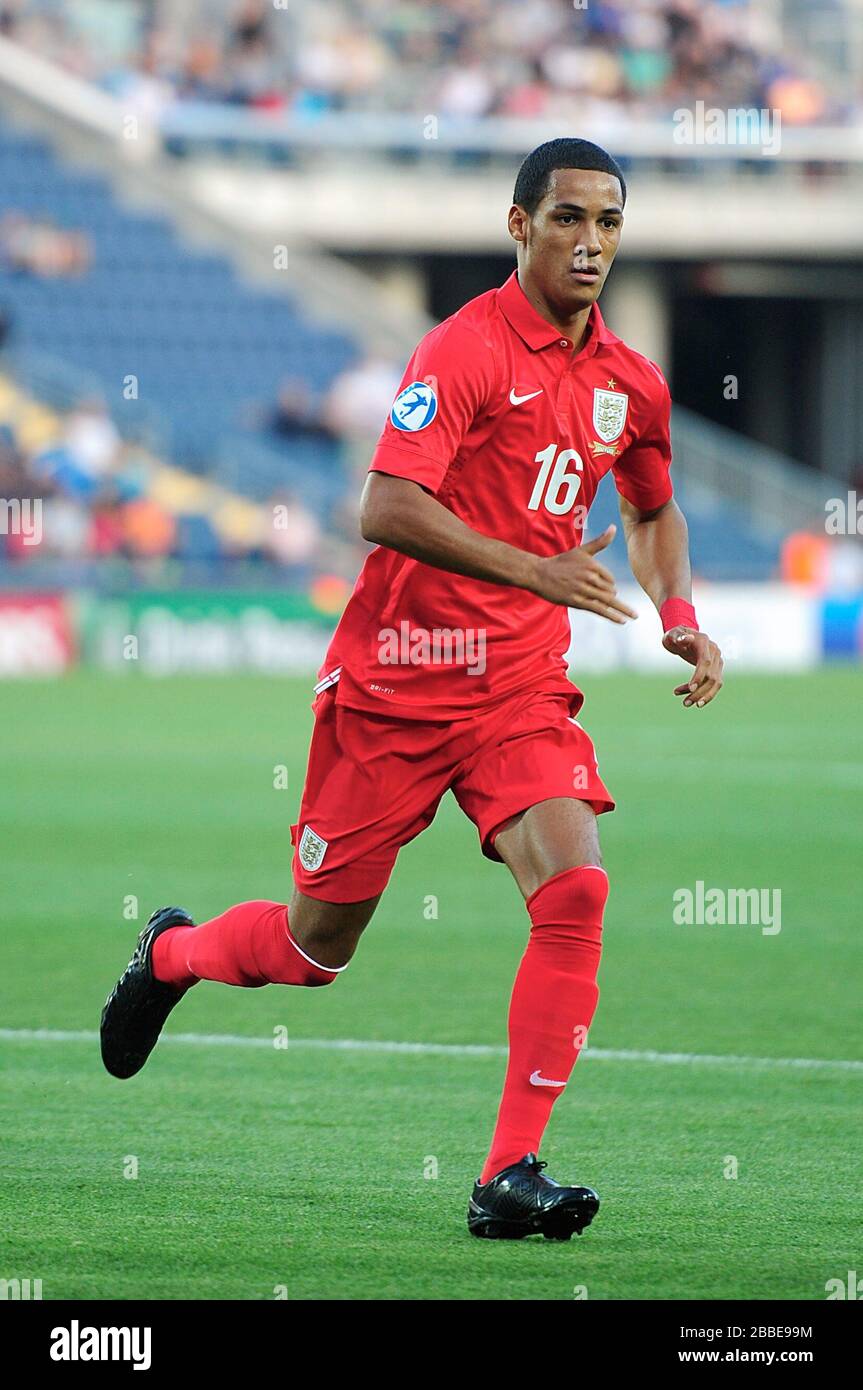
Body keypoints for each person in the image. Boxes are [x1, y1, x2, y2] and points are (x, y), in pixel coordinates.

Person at [101, 138, 724, 1241]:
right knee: (310, 952)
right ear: (517, 226)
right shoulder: (465, 348)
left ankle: (504, 1174)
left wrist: (676, 615)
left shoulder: (628, 381)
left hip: (518, 687)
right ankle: (171, 953)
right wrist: (536, 565)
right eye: (568, 219)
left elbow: (649, 505)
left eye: (608, 224)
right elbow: (385, 505)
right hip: (395, 682)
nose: (591, 244)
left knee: (576, 890)